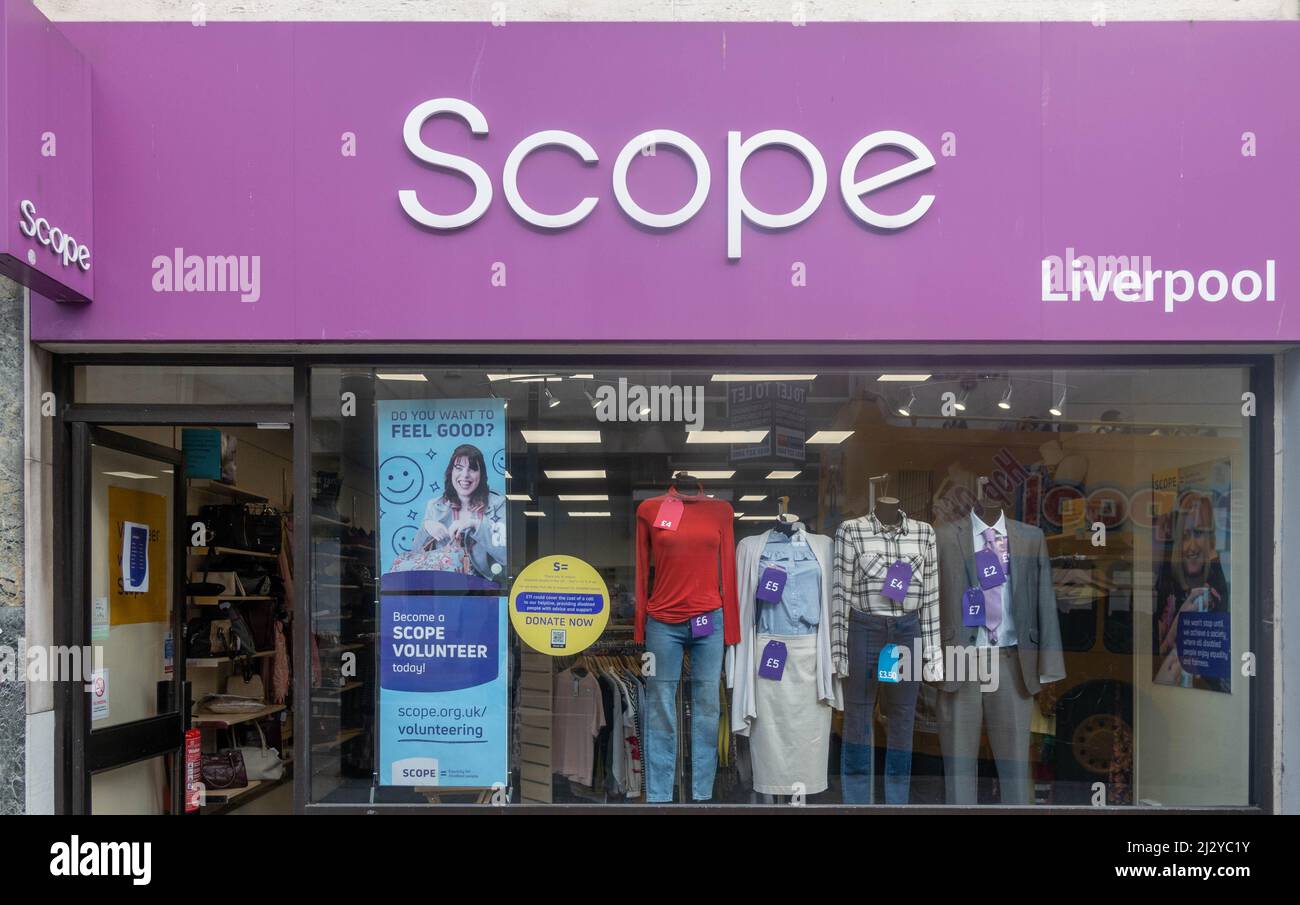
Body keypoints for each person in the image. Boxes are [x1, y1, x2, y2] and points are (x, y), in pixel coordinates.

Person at [1153, 492, 1229, 692]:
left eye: (1199, 533)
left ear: (1210, 539)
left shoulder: (1215, 588)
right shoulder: (1168, 586)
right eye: (1185, 536)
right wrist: (1175, 630)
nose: (1191, 546)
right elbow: (1155, 655)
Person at [410, 443, 506, 581]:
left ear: (481, 474)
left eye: (472, 469)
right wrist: (426, 527)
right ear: (451, 472)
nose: (465, 475)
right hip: (444, 589)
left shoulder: (497, 504)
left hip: (486, 591)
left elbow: (506, 556)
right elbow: (416, 556)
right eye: (459, 468)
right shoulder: (435, 507)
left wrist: (476, 524)